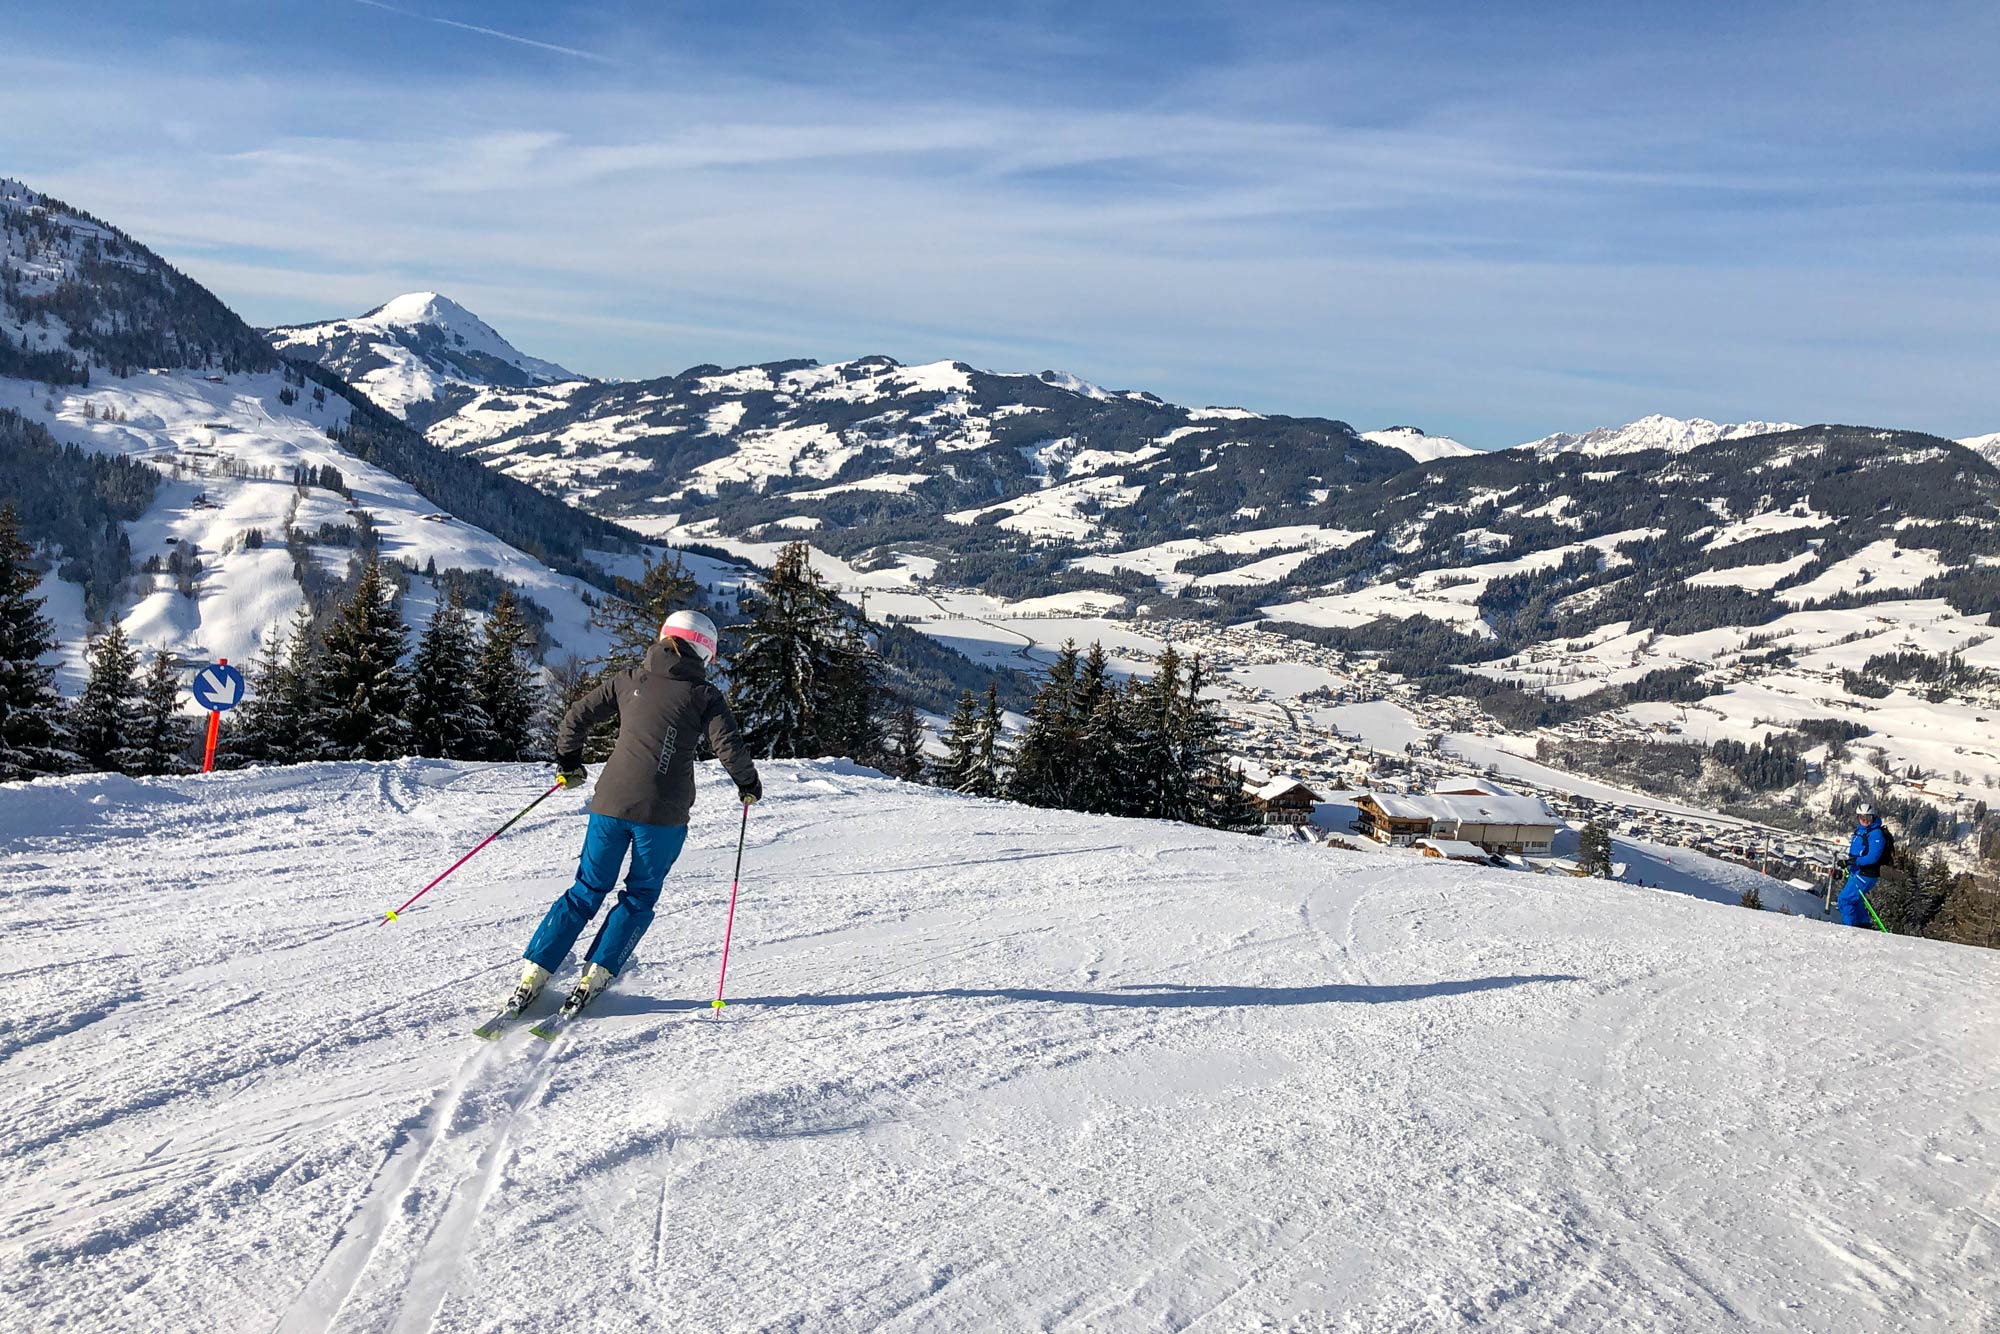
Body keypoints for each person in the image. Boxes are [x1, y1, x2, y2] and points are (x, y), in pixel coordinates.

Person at [505, 609, 762, 1017]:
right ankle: (597, 972)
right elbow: (729, 748)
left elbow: (576, 717)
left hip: (610, 804)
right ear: (705, 652)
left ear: (664, 638)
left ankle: (535, 970)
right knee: (639, 895)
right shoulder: (704, 696)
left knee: (586, 889)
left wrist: (568, 763)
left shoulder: (628, 680)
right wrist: (748, 785)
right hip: (664, 814)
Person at [1835, 803, 1891, 929]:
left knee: (1845, 900)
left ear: (1873, 817)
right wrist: (1848, 864)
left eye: (1868, 818)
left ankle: (1850, 928)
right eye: (1862, 818)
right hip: (1858, 871)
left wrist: (1853, 862)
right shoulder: (1861, 832)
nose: (1865, 821)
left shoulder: (1876, 834)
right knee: (1857, 900)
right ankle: (1864, 926)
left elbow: (1872, 857)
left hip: (1866, 873)